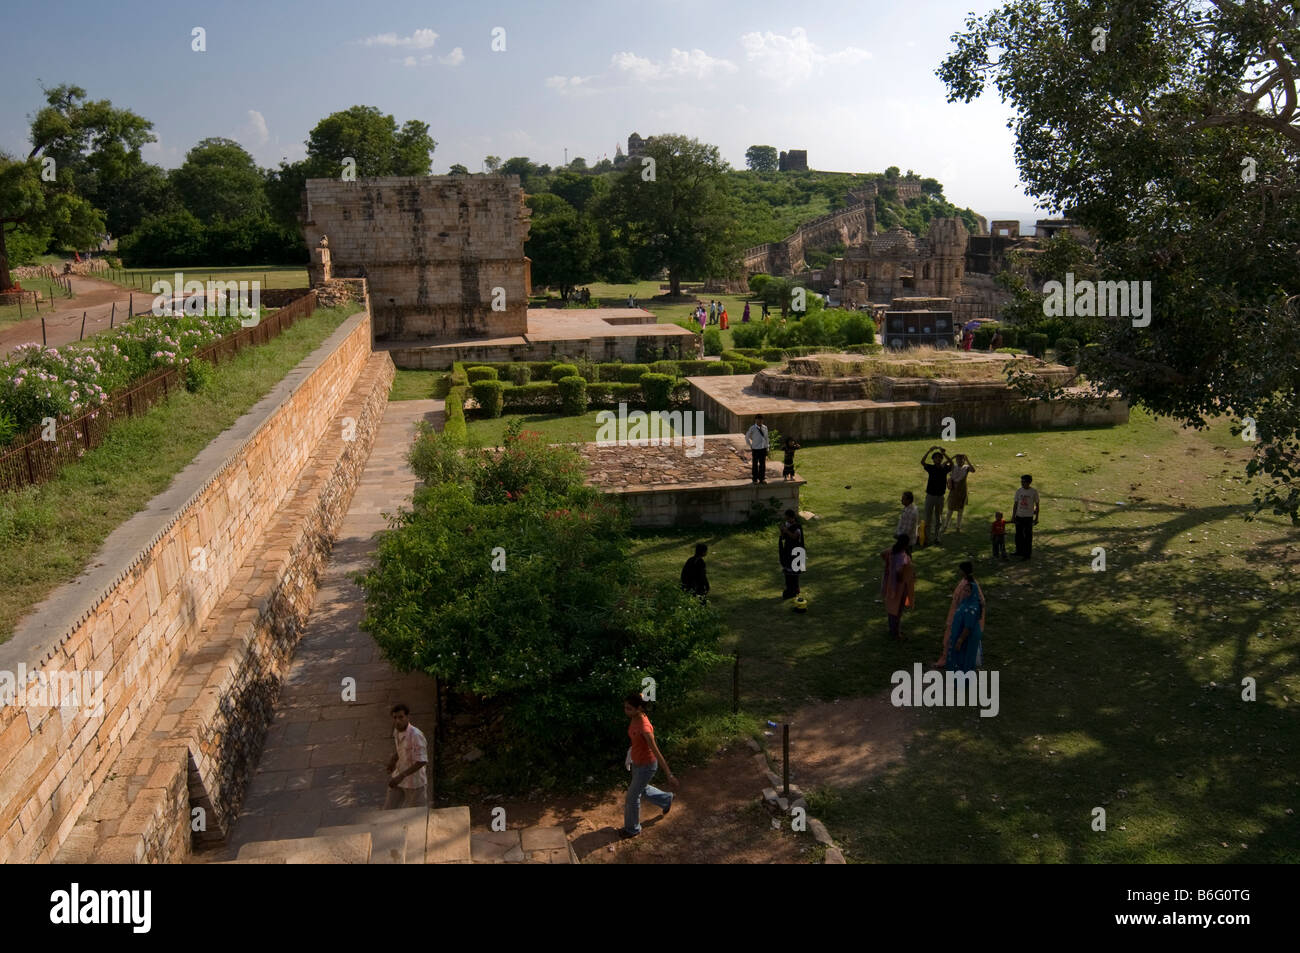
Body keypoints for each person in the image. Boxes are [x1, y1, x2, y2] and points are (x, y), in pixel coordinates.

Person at [618, 692, 676, 838]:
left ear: (639, 709)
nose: (626, 711)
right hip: (636, 762)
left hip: (647, 766)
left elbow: (657, 752)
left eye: (629, 708)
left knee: (632, 797)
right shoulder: (636, 714)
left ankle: (632, 829)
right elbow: (644, 692)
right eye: (625, 707)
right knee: (641, 789)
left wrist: (669, 774)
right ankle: (666, 799)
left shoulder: (645, 728)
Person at [935, 562, 985, 671]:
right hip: (957, 616)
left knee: (957, 641)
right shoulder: (965, 582)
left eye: (960, 570)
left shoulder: (970, 587)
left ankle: (957, 664)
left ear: (964, 571)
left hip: (962, 619)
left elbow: (980, 602)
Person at [385, 703, 428, 809]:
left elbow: (422, 761)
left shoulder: (416, 735)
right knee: (388, 811)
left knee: (417, 815)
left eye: (401, 717)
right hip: (398, 778)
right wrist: (393, 760)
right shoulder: (397, 731)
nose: (397, 721)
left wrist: (402, 776)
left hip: (414, 783)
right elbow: (400, 748)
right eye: (395, 718)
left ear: (407, 717)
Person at [880, 534, 916, 640]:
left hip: (890, 584)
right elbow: (899, 570)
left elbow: (882, 554)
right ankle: (896, 632)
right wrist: (903, 577)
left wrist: (888, 566)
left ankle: (892, 629)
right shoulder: (902, 555)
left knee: (891, 608)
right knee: (897, 609)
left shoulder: (891, 551)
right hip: (899, 586)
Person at [920, 447, 953, 546]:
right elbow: (922, 462)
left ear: (942, 459)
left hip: (940, 497)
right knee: (928, 518)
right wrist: (929, 451)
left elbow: (952, 464)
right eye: (936, 458)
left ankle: (937, 537)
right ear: (933, 460)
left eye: (940, 458)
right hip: (930, 496)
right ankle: (927, 538)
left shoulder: (944, 468)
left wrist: (944, 453)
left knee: (938, 518)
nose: (938, 459)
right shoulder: (931, 468)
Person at [942, 453, 976, 534]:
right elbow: (943, 464)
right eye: (958, 459)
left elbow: (973, 470)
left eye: (961, 459)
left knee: (960, 511)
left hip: (962, 491)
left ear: (964, 460)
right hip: (953, 491)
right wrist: (952, 457)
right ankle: (946, 525)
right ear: (956, 460)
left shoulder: (966, 467)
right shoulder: (953, 466)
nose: (959, 461)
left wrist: (967, 459)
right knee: (950, 509)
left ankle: (958, 527)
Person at [778, 509, 805, 599]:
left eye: (787, 517)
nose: (786, 519)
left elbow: (794, 537)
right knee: (788, 572)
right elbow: (783, 537)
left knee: (794, 572)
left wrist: (786, 530)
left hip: (796, 551)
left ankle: (795, 589)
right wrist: (782, 531)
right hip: (788, 550)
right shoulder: (787, 525)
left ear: (792, 517)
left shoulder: (797, 527)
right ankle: (789, 589)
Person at [1012, 474, 1040, 559]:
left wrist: (1036, 518)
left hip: (1028, 517)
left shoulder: (1033, 492)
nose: (1022, 483)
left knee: (1028, 536)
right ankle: (1019, 551)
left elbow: (1037, 505)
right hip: (1019, 516)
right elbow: (1015, 504)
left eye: (1023, 482)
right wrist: (1013, 516)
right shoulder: (1019, 491)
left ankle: (1027, 554)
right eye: (1021, 481)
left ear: (1029, 482)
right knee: (1018, 535)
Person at [745, 414, 769, 483]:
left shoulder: (765, 428)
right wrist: (750, 445)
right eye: (758, 419)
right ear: (755, 420)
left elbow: (766, 438)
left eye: (761, 419)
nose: (759, 421)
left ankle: (762, 478)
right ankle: (755, 478)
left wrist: (767, 447)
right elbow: (747, 437)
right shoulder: (752, 428)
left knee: (762, 464)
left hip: (763, 448)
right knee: (755, 464)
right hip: (755, 448)